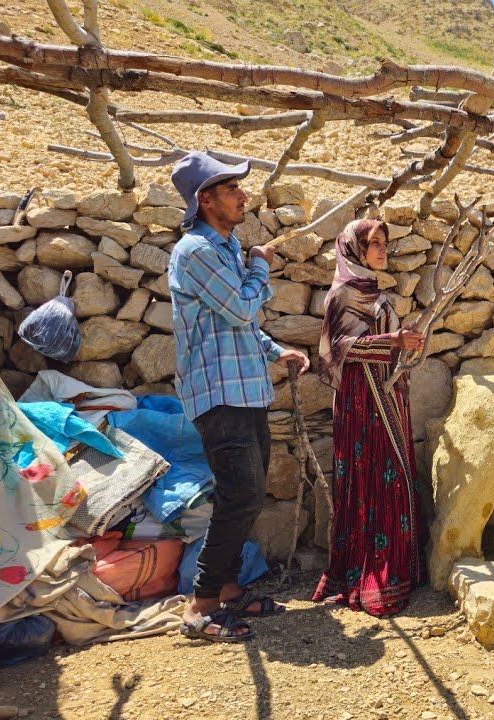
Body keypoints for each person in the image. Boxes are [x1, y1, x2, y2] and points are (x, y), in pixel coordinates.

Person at [168, 152, 310, 642]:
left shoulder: (225, 248)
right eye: (232, 190)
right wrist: (260, 266)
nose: (243, 196)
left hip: (245, 390)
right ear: (205, 200)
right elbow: (241, 305)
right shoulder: (197, 252)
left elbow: (241, 325)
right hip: (219, 394)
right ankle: (200, 606)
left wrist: (276, 349)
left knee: (246, 496)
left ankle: (227, 590)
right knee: (240, 495)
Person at [312, 218, 426, 616]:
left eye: (384, 243)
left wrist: (406, 342)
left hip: (386, 393)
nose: (382, 250)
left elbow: (383, 343)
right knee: (373, 476)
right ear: (354, 247)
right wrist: (390, 340)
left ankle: (400, 570)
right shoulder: (342, 292)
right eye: (373, 243)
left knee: (393, 476)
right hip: (362, 402)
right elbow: (336, 347)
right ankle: (370, 573)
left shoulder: (372, 290)